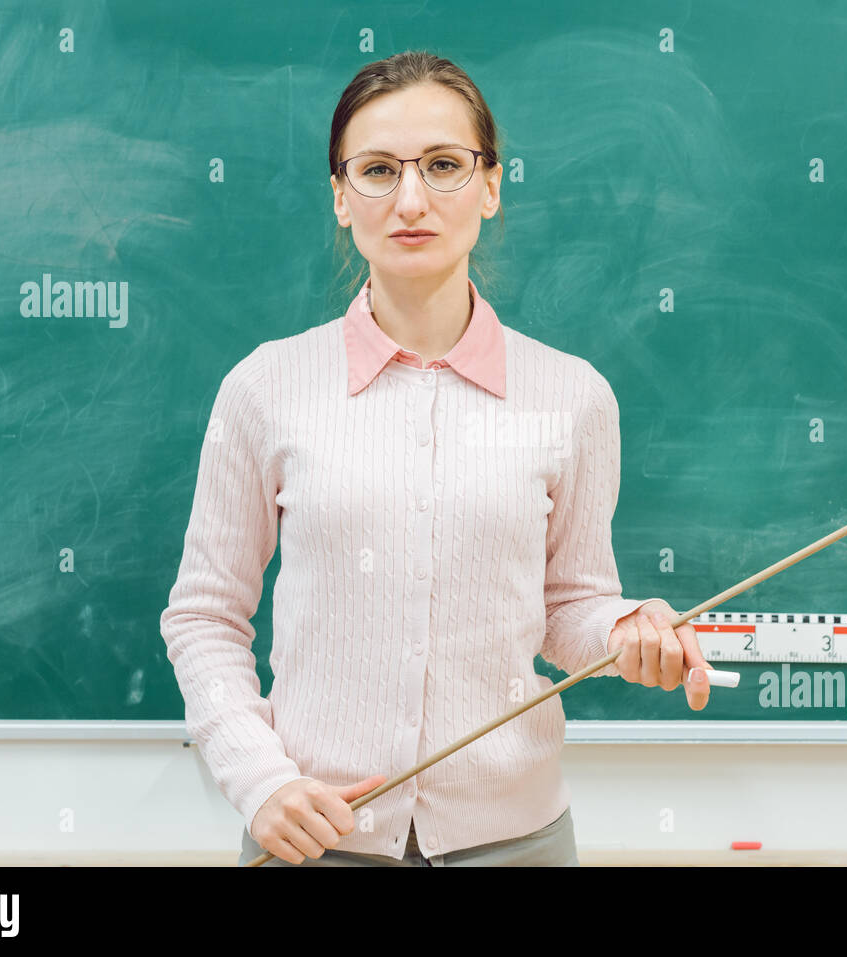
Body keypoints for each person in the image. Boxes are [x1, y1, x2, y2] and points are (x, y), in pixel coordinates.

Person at [159, 50, 713, 868]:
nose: (411, 199)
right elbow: (203, 617)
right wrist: (258, 778)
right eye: (378, 170)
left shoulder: (573, 396)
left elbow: (567, 607)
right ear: (340, 197)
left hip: (516, 840)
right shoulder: (264, 388)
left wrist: (627, 629)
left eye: (445, 166)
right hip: (315, 837)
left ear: (491, 186)